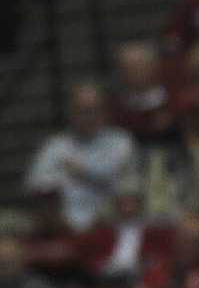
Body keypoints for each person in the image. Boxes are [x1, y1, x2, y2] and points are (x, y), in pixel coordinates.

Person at [23, 82, 137, 231]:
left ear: (105, 112)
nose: (89, 117)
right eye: (83, 111)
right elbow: (36, 183)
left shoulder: (121, 141)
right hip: (63, 224)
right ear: (71, 113)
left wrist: (81, 171)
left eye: (94, 110)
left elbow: (114, 176)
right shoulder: (55, 146)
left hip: (110, 222)